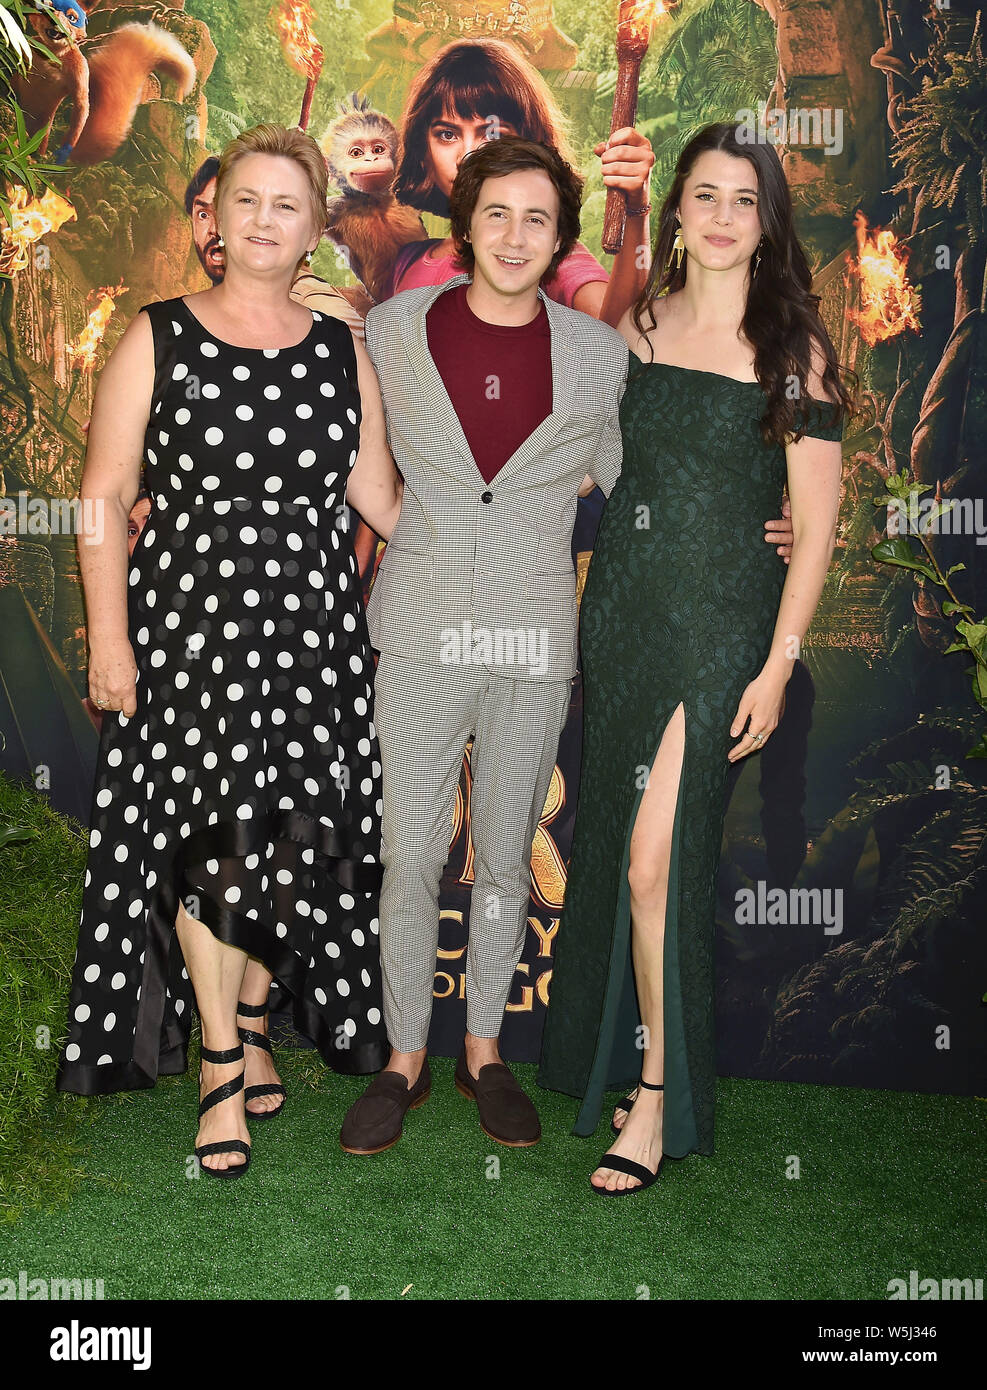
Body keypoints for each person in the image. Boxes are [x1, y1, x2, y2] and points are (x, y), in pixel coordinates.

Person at [338, 134, 794, 1157]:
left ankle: (486, 1052)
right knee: (410, 852)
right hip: (416, 623)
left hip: (539, 628)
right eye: (496, 213)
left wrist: (780, 519)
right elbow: (346, 448)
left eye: (537, 219)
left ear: (560, 238)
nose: (513, 236)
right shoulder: (396, 329)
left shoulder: (602, 350)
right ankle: (404, 1058)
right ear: (467, 223)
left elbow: (661, 473)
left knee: (505, 854)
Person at [56, 122, 402, 1178]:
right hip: (187, 630)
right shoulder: (156, 335)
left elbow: (381, 497)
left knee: (286, 839)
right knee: (210, 843)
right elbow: (105, 497)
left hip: (311, 636)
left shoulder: (346, 348)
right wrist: (110, 640)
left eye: (286, 204)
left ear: (315, 227)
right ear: (215, 216)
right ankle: (216, 1062)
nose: (263, 219)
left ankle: (255, 1027)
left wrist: (546, 503)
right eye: (244, 199)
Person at [536, 122, 852, 1195]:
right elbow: (583, 466)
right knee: (623, 850)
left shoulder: (796, 353)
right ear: (675, 210)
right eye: (704, 195)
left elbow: (812, 529)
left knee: (650, 860)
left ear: (767, 224)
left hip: (724, 628)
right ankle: (619, 1063)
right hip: (624, 617)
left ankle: (661, 1096)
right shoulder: (634, 329)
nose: (720, 217)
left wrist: (776, 665)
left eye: (743, 201)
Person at [384, 38, 653, 327]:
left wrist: (635, 209)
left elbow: (620, 331)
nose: (468, 155)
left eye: (492, 134)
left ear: (528, 143)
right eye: (447, 135)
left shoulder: (543, 251)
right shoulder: (407, 259)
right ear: (423, 152)